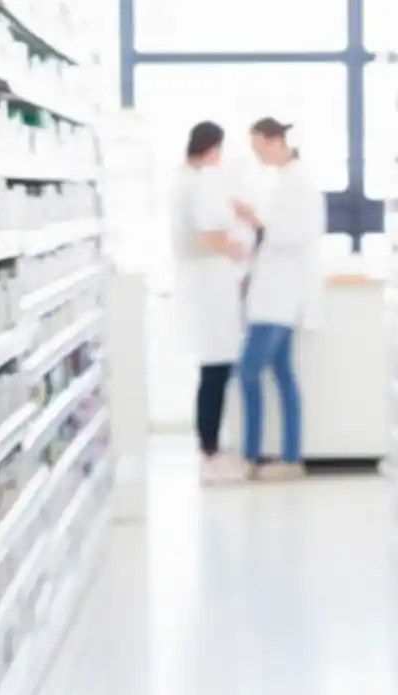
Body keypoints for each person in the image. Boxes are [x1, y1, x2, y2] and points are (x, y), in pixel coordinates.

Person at [232, 117, 324, 479]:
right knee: (283, 373)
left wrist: (254, 219)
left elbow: (291, 235)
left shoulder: (299, 182)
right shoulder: (285, 180)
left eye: (259, 149)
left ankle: (253, 455)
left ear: (275, 142)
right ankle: (289, 457)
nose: (258, 157)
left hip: (280, 295)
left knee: (249, 371)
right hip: (275, 291)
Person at [170, 121, 249, 482]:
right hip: (208, 285)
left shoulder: (184, 180)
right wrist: (233, 248)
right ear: (212, 148)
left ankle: (210, 448)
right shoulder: (196, 183)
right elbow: (206, 236)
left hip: (204, 284)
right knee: (216, 368)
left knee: (214, 366)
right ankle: (210, 451)